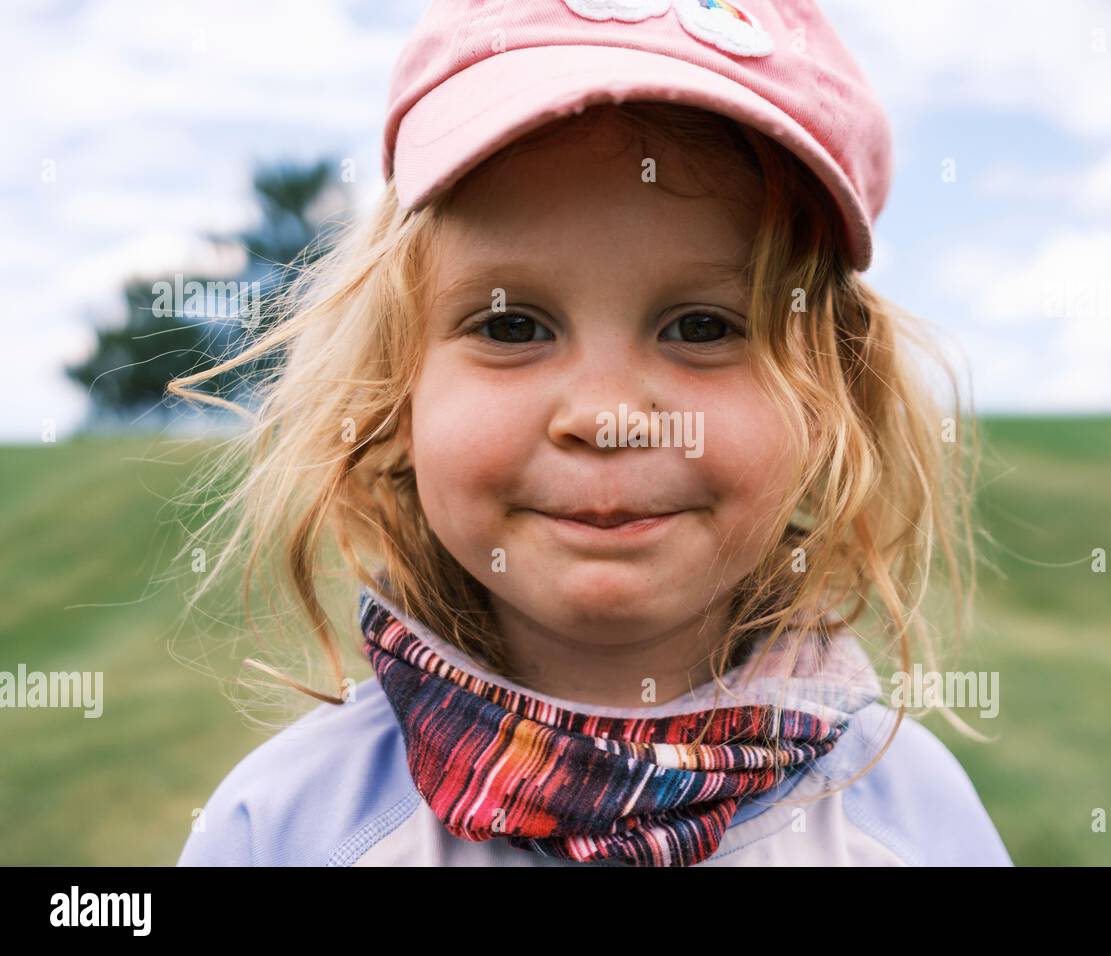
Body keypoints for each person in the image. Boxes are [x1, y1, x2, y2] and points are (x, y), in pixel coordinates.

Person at [174, 0, 1012, 867]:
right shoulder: (284, 830)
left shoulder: (912, 824)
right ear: (396, 392)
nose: (606, 417)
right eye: (511, 327)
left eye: (700, 327)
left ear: (833, 397)